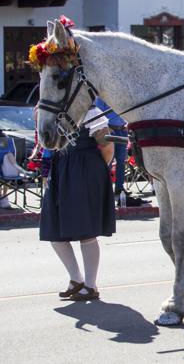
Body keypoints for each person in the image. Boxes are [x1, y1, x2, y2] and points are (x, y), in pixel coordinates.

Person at [39, 105, 116, 301]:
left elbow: (107, 146)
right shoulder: (49, 111)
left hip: (85, 170)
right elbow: (46, 143)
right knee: (53, 230)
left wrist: (95, 172)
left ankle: (91, 285)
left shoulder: (90, 112)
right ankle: (76, 279)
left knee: (86, 231)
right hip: (59, 170)